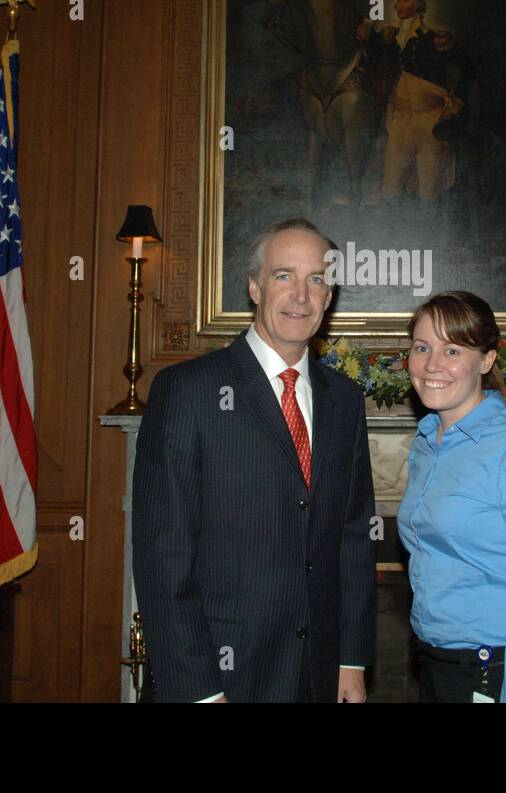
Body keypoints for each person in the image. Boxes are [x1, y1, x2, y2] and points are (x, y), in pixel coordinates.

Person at [132, 218, 376, 702]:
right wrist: (199, 689)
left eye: (316, 279)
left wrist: (351, 659)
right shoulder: (189, 391)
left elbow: (353, 536)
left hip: (319, 676)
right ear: (254, 287)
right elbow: (163, 557)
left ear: (329, 297)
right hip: (222, 678)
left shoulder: (344, 399)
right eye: (284, 275)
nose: (301, 295)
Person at [397, 290, 506, 702]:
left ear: (487, 360)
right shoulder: (426, 443)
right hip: (438, 666)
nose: (432, 365)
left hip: (498, 671)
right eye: (422, 348)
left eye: (452, 350)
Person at [357, 0, 475, 201]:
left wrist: (455, 102)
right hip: (400, 119)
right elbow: (369, 55)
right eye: (397, 1)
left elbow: (468, 69)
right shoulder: (389, 39)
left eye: (404, 1)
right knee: (391, 187)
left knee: (429, 188)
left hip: (429, 119)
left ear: (418, 6)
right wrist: (367, 23)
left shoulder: (435, 39)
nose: (397, 6)